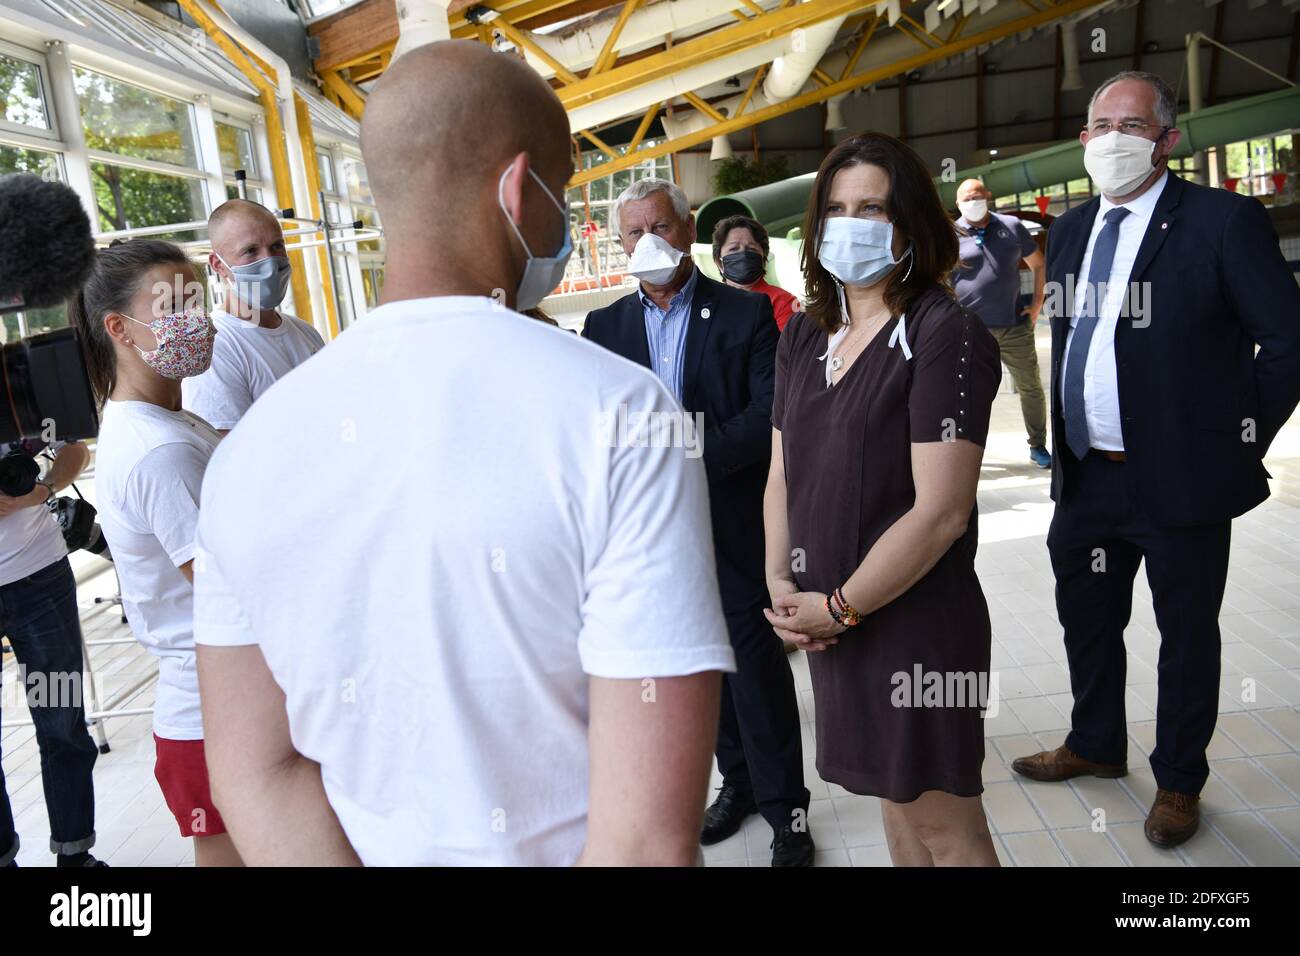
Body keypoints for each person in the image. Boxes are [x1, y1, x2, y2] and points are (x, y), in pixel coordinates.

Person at [191, 40, 735, 867]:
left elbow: (256, 769)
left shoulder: (245, 454)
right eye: (564, 191)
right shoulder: (621, 414)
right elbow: (649, 841)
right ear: (520, 190)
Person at [1013, 71, 1300, 848]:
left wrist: (1235, 438)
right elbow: (1075, 341)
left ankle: (1179, 779)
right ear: (1081, 141)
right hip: (1087, 474)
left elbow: (1287, 343)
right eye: (1099, 125)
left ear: (1167, 139)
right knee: (1088, 619)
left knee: (1185, 632)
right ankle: (1095, 743)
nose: (1111, 139)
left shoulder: (1221, 220)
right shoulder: (1068, 232)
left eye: (1131, 125)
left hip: (1182, 480)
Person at [764, 131, 1002, 867]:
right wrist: (780, 583)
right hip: (837, 623)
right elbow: (782, 475)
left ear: (911, 223)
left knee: (945, 830)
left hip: (910, 625)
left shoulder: (944, 333)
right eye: (836, 208)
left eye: (872, 207)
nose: (850, 223)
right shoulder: (806, 334)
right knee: (897, 811)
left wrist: (838, 606)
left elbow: (941, 512)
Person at [583, 179, 812, 867]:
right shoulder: (605, 329)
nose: (646, 241)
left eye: (659, 225)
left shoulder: (743, 317)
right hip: (650, 538)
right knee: (699, 668)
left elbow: (769, 418)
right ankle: (736, 786)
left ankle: (788, 816)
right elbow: (600, 429)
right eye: (632, 232)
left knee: (756, 674)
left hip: (732, 524)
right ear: (618, 243)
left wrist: (678, 453)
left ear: (687, 231)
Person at [69, 239, 242, 867]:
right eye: (171, 305)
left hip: (220, 704)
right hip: (215, 714)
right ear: (119, 327)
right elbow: (232, 590)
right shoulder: (157, 450)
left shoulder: (170, 422)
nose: (192, 319)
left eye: (195, 299)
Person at [0, 438, 104, 868]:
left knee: (61, 721)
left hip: (39, 577)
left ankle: (75, 853)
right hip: (39, 582)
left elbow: (75, 450)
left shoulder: (17, 386)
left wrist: (40, 489)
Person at [182, 199, 324, 435]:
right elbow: (230, 454)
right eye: (250, 251)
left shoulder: (305, 332)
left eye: (277, 246)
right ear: (218, 265)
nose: (268, 261)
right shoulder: (215, 347)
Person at [952, 178, 1050, 468]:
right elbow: (939, 279)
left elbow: (1039, 263)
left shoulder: (1012, 226)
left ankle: (1038, 445)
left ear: (988, 197)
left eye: (977, 197)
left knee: (1030, 387)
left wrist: (1037, 305)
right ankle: (962, 451)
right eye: (967, 199)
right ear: (958, 203)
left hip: (1013, 327)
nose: (973, 202)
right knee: (963, 392)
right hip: (970, 331)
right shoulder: (949, 233)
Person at [712, 214, 800, 331]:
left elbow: (784, 347)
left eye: (751, 249)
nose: (743, 254)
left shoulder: (785, 302)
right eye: (733, 249)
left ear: (763, 258)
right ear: (719, 262)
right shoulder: (709, 303)